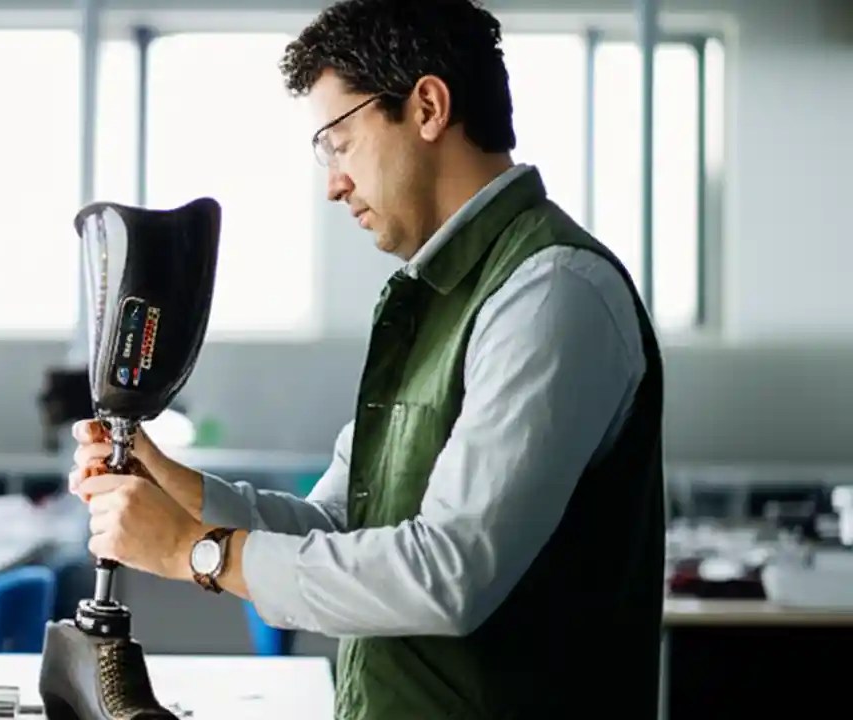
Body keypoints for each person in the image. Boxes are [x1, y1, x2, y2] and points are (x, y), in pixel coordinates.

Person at [68, 0, 666, 717]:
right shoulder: (430, 298)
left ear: (428, 107)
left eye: (338, 140)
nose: (332, 183)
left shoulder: (550, 294)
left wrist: (196, 552)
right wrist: (181, 492)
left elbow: (449, 574)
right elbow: (342, 527)